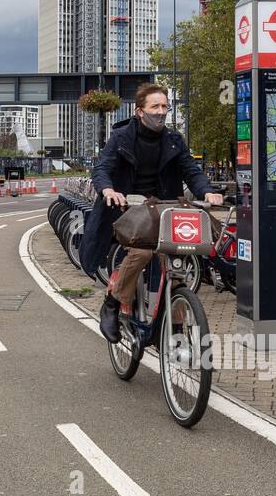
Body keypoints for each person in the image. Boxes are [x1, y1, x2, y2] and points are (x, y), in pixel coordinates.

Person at [79, 84, 224, 344]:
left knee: (178, 258)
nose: (161, 112)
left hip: (163, 210)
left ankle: (176, 324)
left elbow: (191, 170)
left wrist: (207, 192)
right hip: (128, 210)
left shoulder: (173, 139)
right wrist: (109, 190)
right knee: (143, 252)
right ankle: (113, 303)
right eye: (154, 107)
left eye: (164, 106)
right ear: (139, 112)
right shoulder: (122, 137)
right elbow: (102, 168)